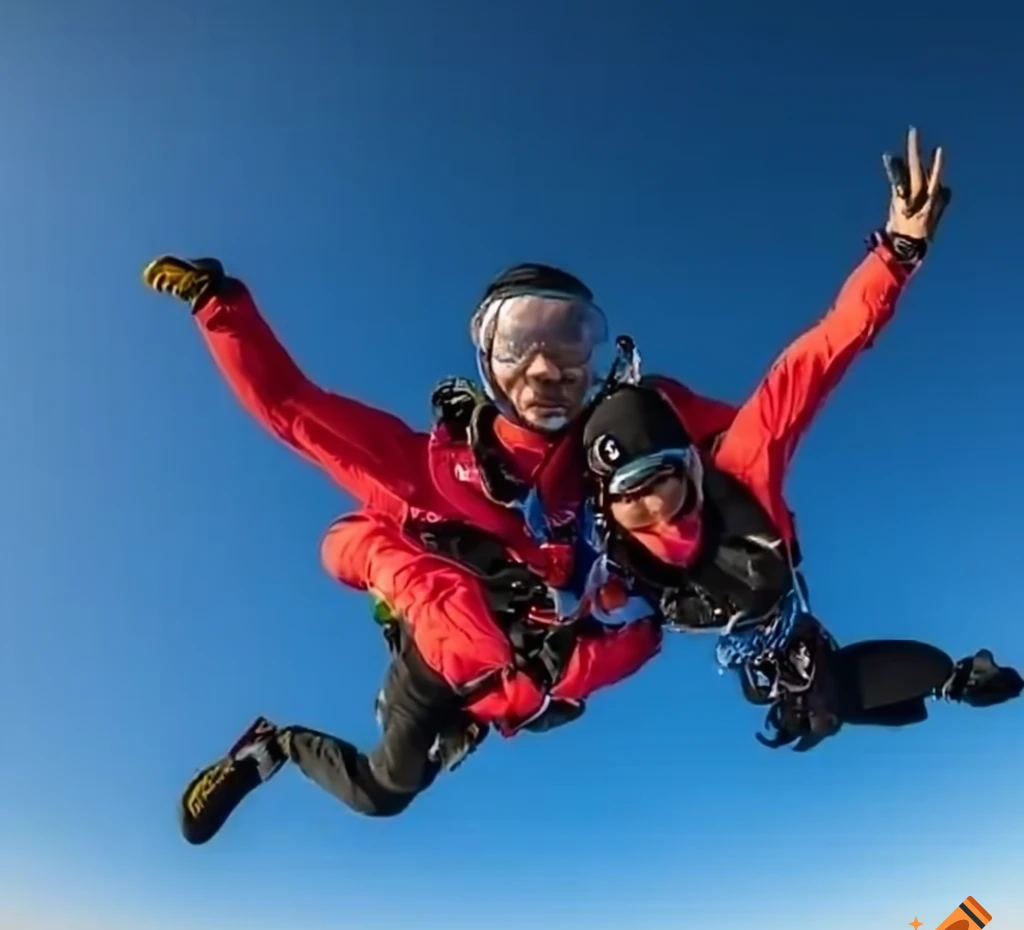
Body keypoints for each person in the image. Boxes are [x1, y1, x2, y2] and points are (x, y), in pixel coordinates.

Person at [145, 256, 737, 842]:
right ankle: (270, 748)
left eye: (571, 340)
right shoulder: (430, 470)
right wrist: (221, 309)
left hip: (513, 682)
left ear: (600, 358)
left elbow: (752, 439)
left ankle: (476, 704)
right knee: (384, 792)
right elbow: (293, 409)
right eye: (516, 344)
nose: (545, 368)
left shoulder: (634, 456)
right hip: (444, 658)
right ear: (487, 360)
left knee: (502, 714)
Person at [579, 129, 1023, 751]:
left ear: (693, 466)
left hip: (764, 593)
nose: (657, 510)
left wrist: (897, 252)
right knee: (806, 701)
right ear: (606, 502)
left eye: (666, 482)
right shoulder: (594, 542)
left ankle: (952, 678)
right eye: (633, 495)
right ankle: (918, 683)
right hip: (743, 617)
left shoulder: (743, 459)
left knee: (823, 693)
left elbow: (817, 356)